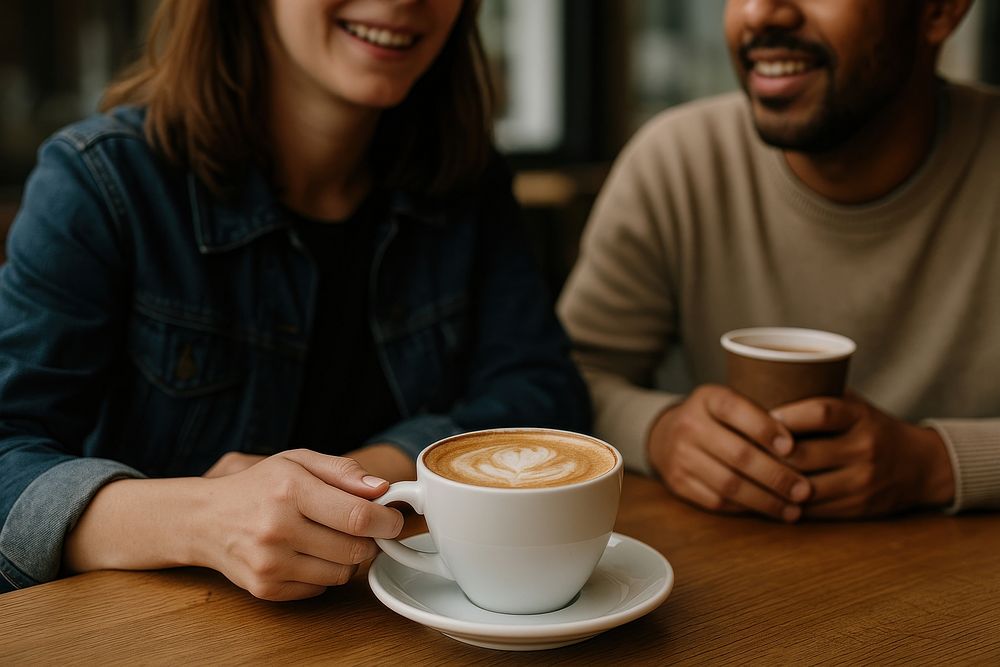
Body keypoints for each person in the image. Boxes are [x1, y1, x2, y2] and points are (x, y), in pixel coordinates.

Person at [0, 0, 588, 598]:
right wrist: (199, 517)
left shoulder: (467, 180)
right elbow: (7, 450)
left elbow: (543, 393)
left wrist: (355, 481)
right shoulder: (103, 182)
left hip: (411, 621)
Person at [558, 0, 1000, 522]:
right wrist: (660, 431)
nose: (759, 13)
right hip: (736, 578)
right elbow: (571, 376)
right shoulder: (678, 162)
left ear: (940, 12)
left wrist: (934, 464)